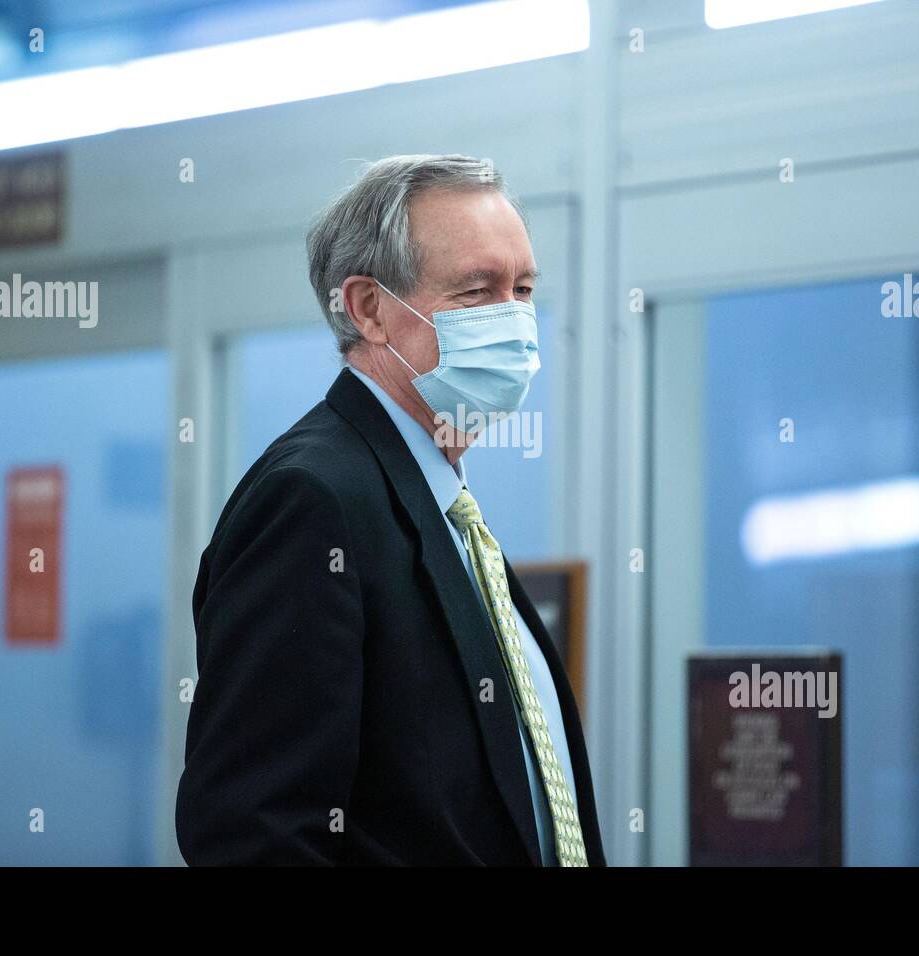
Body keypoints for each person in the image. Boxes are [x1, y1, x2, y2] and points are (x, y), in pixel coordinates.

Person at [176, 154, 604, 866]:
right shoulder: (313, 502)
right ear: (369, 309)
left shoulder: (444, 509)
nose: (515, 320)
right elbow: (253, 834)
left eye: (523, 289)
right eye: (476, 291)